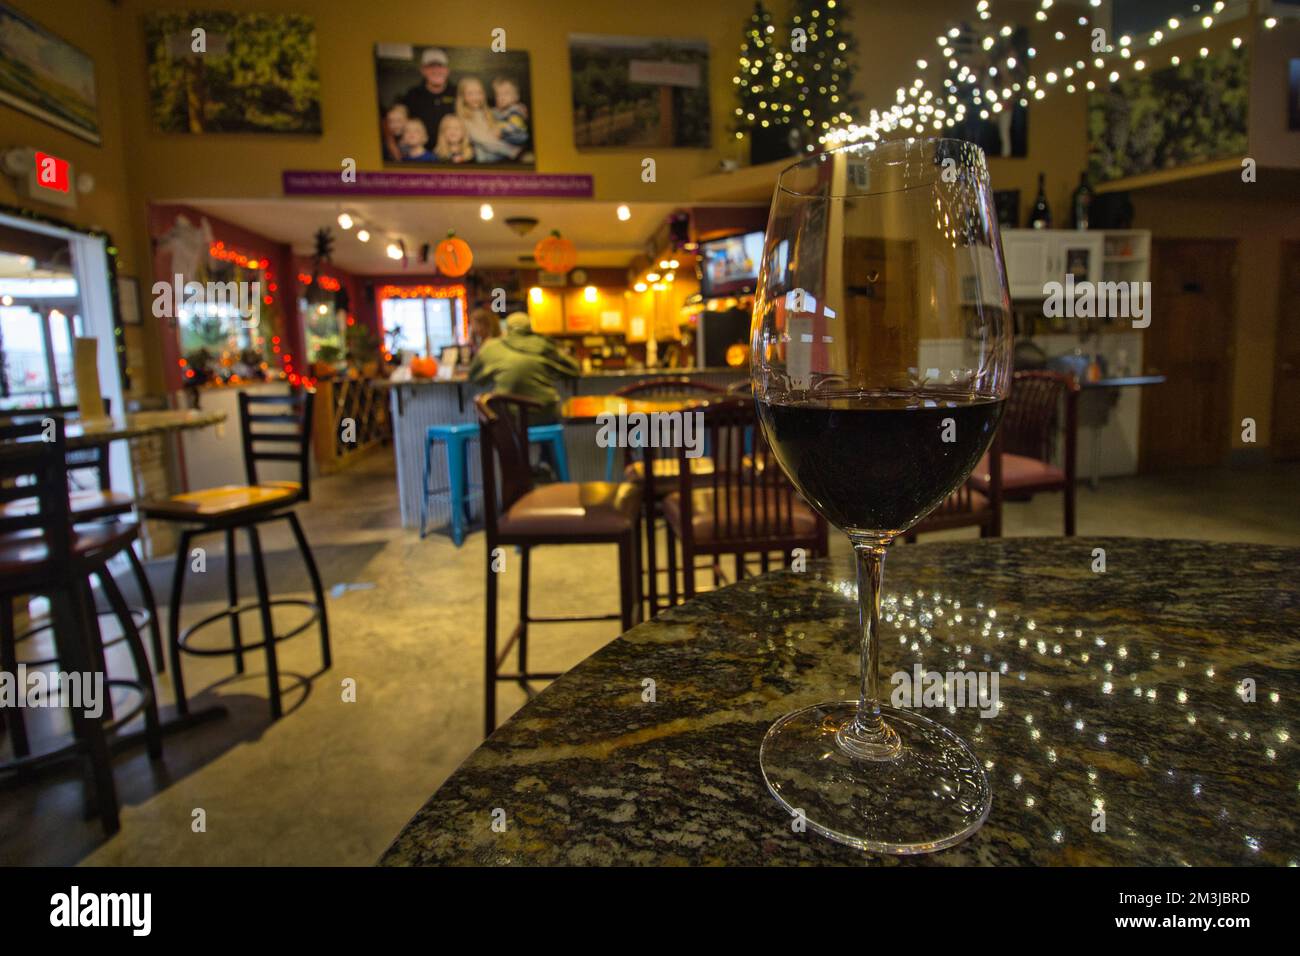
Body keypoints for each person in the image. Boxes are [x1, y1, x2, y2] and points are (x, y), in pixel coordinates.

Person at [469, 312, 578, 424]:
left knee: (502, 415)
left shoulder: (492, 346)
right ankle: (548, 441)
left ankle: (513, 441)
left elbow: (474, 377)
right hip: (544, 415)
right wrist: (552, 371)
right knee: (552, 410)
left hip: (509, 419)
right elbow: (574, 369)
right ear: (530, 328)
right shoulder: (545, 344)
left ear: (507, 329)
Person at [400, 48, 456, 146]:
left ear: (447, 70)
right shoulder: (412, 94)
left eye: (440, 66)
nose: (436, 70)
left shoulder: (457, 92)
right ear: (423, 70)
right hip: (421, 153)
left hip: (451, 152)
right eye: (431, 66)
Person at [456, 76, 519, 163]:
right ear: (462, 97)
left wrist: (517, 108)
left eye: (479, 93)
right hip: (485, 159)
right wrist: (511, 151)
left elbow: (505, 114)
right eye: (470, 94)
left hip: (500, 155)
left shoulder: (489, 112)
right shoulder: (464, 119)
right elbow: (484, 140)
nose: (476, 97)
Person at [491, 76, 531, 154]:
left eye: (506, 93)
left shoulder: (515, 110)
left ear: (516, 97)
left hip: (518, 135)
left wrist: (501, 130)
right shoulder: (500, 110)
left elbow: (516, 127)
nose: (501, 97)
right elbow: (495, 112)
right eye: (498, 95)